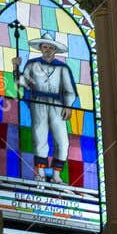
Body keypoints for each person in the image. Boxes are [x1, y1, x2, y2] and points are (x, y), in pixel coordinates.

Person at [17, 31, 78, 182]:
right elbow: (22, 83)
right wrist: (15, 67)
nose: (48, 50)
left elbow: (69, 90)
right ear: (41, 48)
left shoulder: (63, 68)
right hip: (38, 103)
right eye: (45, 47)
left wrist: (68, 106)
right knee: (40, 138)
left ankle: (56, 175)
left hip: (57, 105)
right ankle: (41, 173)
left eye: (51, 47)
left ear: (55, 50)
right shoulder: (33, 65)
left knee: (62, 141)